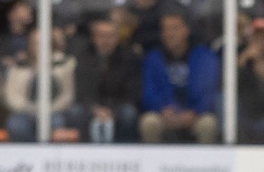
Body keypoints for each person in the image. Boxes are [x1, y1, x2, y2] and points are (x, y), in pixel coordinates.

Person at [139, 12, 216, 143]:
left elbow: (209, 91)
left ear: (186, 30)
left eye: (174, 28)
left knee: (208, 124)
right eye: (166, 29)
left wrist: (195, 111)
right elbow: (148, 91)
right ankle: (152, 156)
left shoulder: (203, 57)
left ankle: (206, 157)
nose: (170, 33)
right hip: (164, 114)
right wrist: (162, 109)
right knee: (149, 122)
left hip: (195, 115)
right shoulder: (153, 58)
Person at [3, 27, 78, 140]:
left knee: (56, 122)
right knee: (16, 125)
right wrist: (32, 108)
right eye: (35, 43)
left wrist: (48, 109)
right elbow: (11, 96)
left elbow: (67, 95)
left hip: (54, 110)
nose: (39, 47)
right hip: (24, 111)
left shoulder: (63, 64)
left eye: (43, 43)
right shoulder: (18, 66)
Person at [75, 15, 140, 142]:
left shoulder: (128, 58)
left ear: (117, 38)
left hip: (118, 106)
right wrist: (94, 109)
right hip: (91, 106)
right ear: (94, 38)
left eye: (110, 36)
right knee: (75, 112)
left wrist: (111, 110)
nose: (106, 40)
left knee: (129, 113)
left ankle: (125, 148)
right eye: (102, 36)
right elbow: (81, 90)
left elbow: (132, 91)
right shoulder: (83, 58)